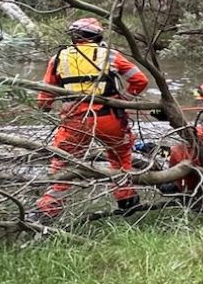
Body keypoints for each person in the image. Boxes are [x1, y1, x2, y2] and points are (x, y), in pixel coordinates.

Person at [34, 16, 149, 219]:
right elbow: (140, 80)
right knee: (120, 158)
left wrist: (45, 107)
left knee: (63, 164)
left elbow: (45, 95)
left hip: (75, 120)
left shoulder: (59, 58)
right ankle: (127, 201)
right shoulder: (110, 55)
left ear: (74, 37)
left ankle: (47, 209)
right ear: (98, 37)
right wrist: (124, 99)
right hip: (109, 118)